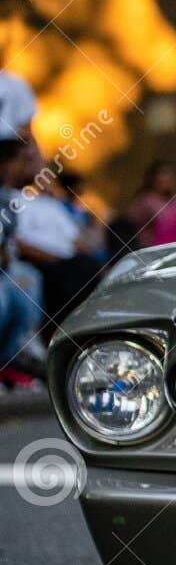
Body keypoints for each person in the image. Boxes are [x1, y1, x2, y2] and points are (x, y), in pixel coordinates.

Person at [11, 155, 102, 338]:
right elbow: (17, 242)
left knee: (91, 267)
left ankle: (89, 332)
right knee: (75, 273)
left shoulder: (52, 205)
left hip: (69, 260)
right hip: (42, 261)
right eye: (27, 163)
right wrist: (54, 259)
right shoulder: (13, 200)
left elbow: (76, 240)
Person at [0, 138, 45, 386]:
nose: (24, 168)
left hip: (9, 268)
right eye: (21, 161)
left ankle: (17, 352)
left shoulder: (9, 196)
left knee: (29, 278)